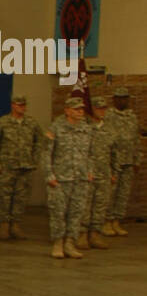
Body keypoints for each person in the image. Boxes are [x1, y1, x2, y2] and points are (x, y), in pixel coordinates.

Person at [44, 96, 94, 259]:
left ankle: (70, 243)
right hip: (60, 178)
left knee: (76, 212)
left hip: (80, 178)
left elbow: (91, 153)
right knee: (58, 212)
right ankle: (58, 243)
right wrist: (49, 175)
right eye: (76, 109)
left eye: (82, 109)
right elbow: (46, 153)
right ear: (67, 111)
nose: (80, 112)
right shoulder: (56, 128)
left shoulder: (86, 129)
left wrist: (90, 171)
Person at [0, 95, 43, 241]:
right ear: (12, 105)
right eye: (19, 105)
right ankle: (4, 225)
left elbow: (39, 142)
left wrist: (34, 160)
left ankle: (15, 224)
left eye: (23, 105)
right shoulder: (2, 122)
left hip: (26, 166)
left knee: (21, 198)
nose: (22, 108)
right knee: (4, 196)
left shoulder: (31, 123)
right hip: (7, 167)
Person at [81, 97, 116, 250]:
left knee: (100, 205)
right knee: (85, 205)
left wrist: (114, 172)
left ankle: (95, 234)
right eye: (98, 108)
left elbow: (114, 153)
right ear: (91, 110)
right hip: (87, 173)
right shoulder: (84, 128)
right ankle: (82, 234)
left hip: (104, 173)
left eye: (104, 108)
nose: (102, 111)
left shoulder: (110, 129)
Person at [107, 86, 141, 236]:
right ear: (114, 99)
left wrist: (137, 159)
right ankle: (106, 221)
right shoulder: (108, 116)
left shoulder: (132, 117)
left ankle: (117, 221)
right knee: (110, 193)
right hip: (112, 162)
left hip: (128, 160)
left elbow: (136, 139)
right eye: (119, 98)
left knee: (123, 193)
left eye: (125, 98)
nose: (122, 101)